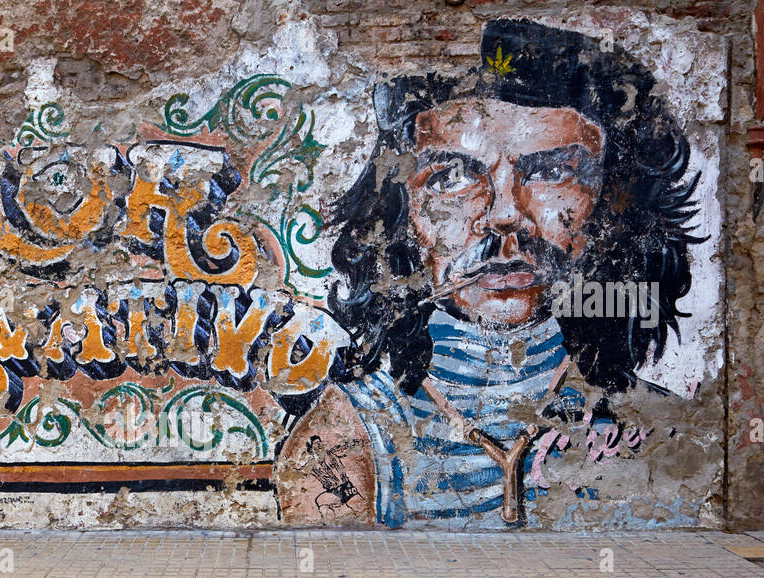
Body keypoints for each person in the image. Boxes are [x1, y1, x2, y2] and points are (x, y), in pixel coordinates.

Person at [277, 18, 703, 527]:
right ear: (400, 213)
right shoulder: (349, 438)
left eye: (550, 172)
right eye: (452, 177)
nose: (505, 214)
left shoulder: (658, 429)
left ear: (612, 204)